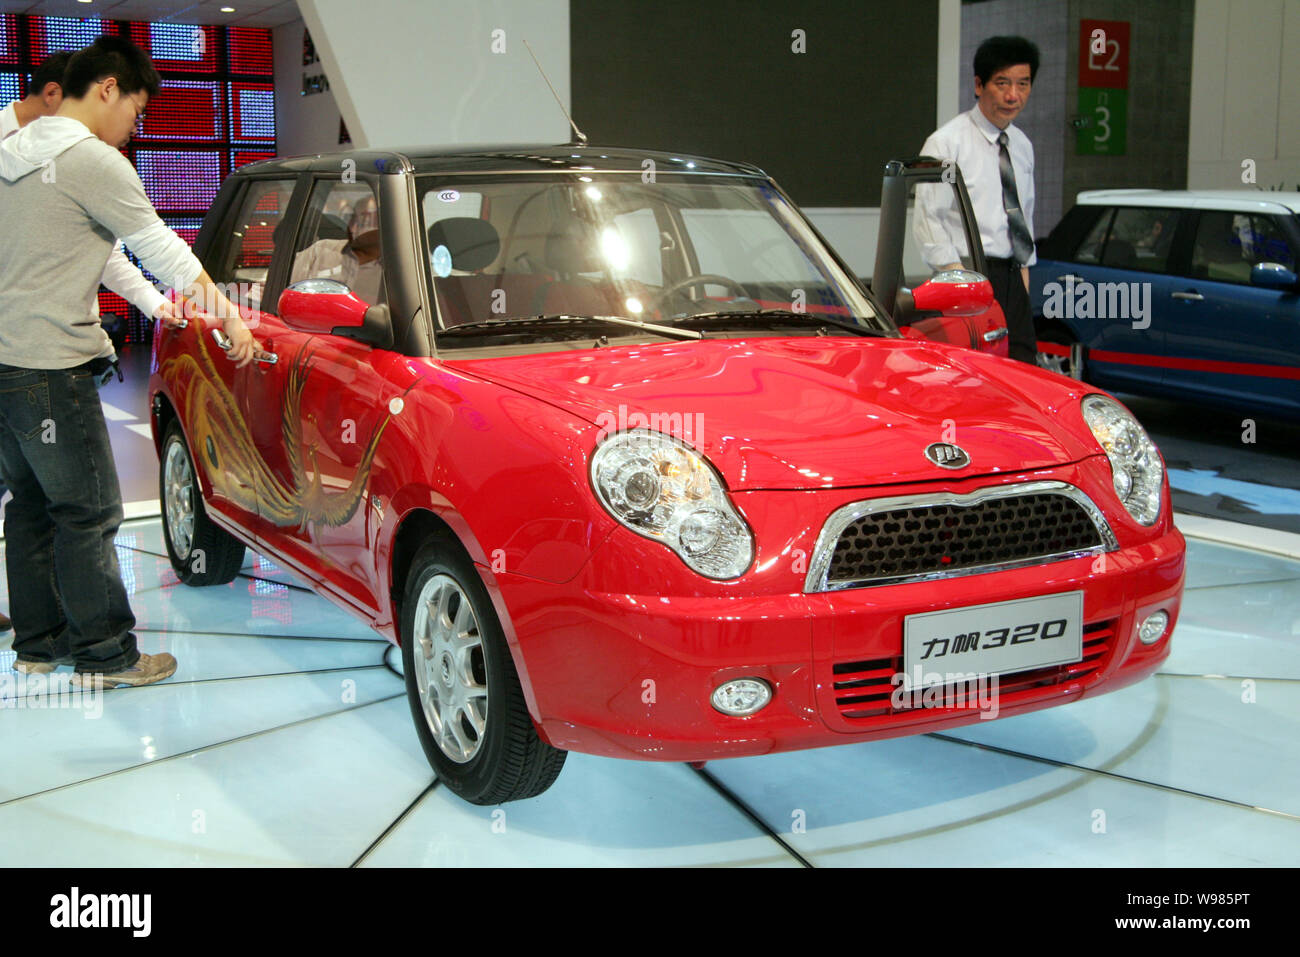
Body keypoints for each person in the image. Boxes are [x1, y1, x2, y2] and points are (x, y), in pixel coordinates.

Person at [0, 35, 257, 688]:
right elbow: (161, 249)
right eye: (137, 112)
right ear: (108, 88)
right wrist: (227, 313)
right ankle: (107, 654)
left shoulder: (13, 152)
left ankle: (39, 643)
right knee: (88, 511)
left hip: (5, 364)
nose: (134, 129)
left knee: (29, 505)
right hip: (51, 366)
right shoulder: (92, 161)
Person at [914, 35, 1040, 364]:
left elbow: (1024, 216)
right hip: (968, 279)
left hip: (1013, 278)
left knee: (1025, 372)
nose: (1013, 95)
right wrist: (964, 285)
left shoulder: (1022, 145)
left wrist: (1024, 281)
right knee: (975, 374)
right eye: (1002, 83)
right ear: (979, 85)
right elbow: (928, 221)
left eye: (1023, 84)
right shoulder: (946, 144)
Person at [290, 192, 384, 304]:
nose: (352, 228)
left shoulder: (397, 271)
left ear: (385, 226)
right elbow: (283, 288)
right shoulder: (320, 251)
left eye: (364, 222)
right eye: (353, 219)